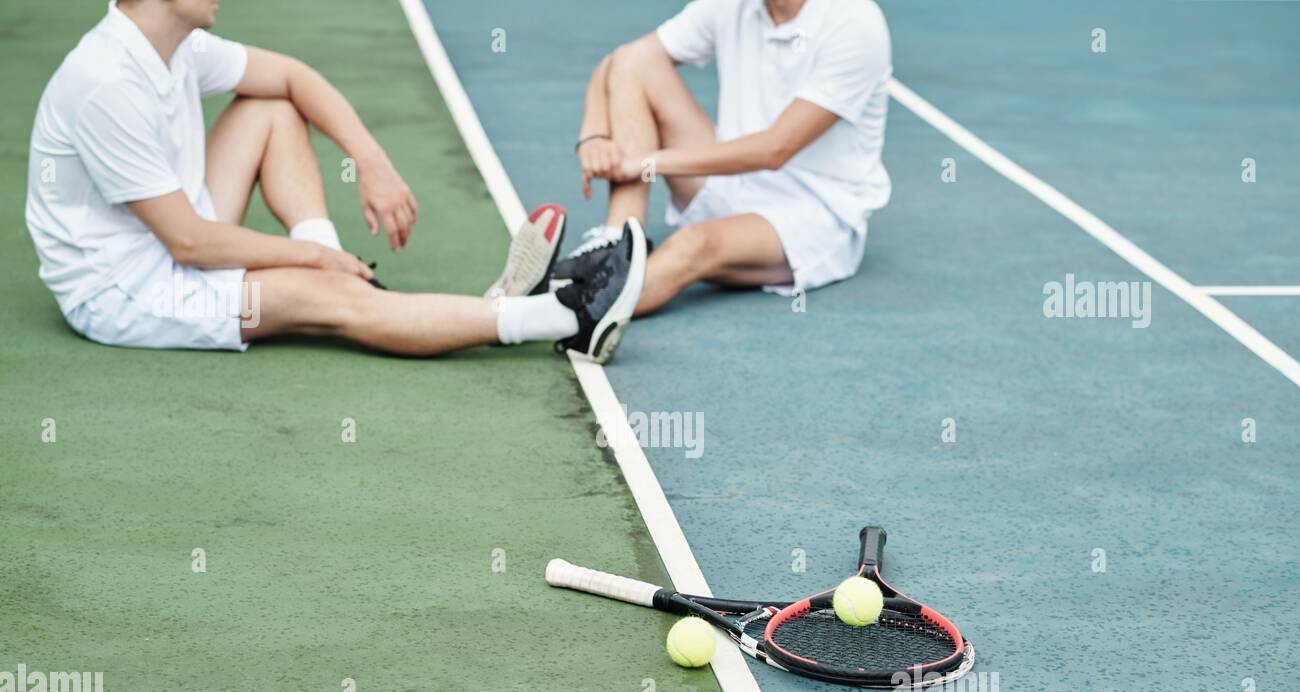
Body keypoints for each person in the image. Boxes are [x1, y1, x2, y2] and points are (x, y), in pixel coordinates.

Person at [25, 0, 645, 364]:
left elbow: (292, 77)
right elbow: (188, 243)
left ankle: (358, 279)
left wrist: (370, 159)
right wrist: (313, 257)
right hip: (128, 292)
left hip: (172, 240)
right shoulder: (106, 82)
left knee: (268, 107)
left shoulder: (175, 46)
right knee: (336, 303)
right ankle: (567, 319)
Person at [560, 0, 892, 315]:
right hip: (734, 180)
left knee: (693, 244)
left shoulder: (855, 22)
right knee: (636, 62)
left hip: (813, 216)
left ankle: (536, 315)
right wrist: (594, 136)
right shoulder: (731, 5)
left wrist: (649, 162)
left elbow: (775, 149)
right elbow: (623, 60)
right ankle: (617, 240)